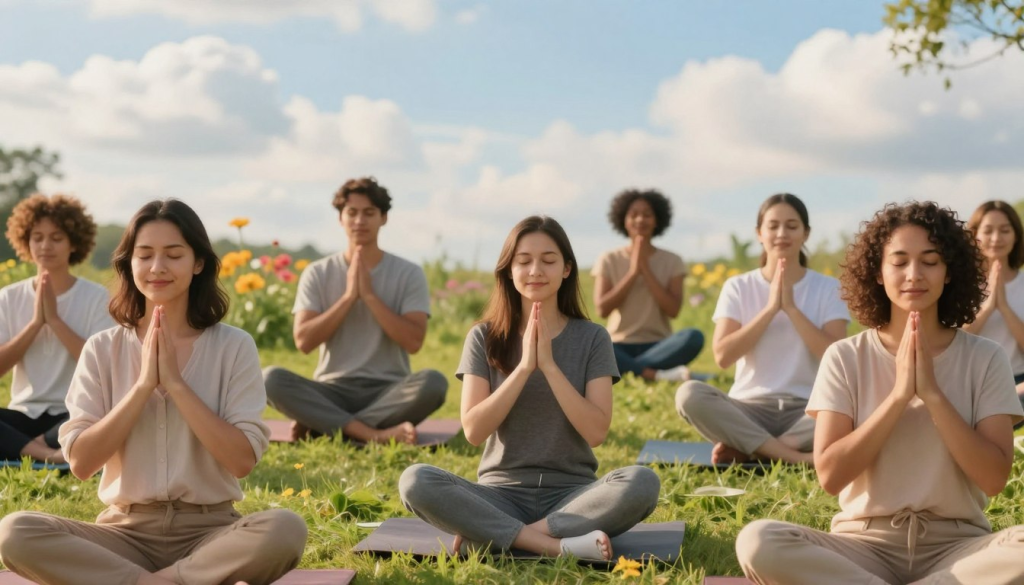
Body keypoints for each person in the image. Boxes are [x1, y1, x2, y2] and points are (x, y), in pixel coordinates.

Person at [0, 199, 307, 585]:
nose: (157, 267)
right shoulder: (102, 348)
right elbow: (79, 463)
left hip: (210, 532)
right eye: (144, 255)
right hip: (124, 533)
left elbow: (241, 461)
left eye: (173, 255)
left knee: (285, 528)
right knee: (16, 532)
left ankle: (142, 581)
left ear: (197, 263)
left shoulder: (233, 346)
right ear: (129, 264)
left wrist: (177, 384)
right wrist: (144, 386)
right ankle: (173, 581)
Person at [736, 201, 1024, 585]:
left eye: (930, 260)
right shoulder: (845, 357)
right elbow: (831, 476)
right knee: (758, 540)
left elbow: (993, 479)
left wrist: (933, 395)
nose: (914, 274)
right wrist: (899, 397)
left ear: (949, 271)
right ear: (877, 272)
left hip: (959, 548)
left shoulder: (986, 358)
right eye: (899, 261)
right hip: (863, 546)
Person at [399, 216, 660, 561]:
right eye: (524, 261)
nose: (536, 270)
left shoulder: (592, 337)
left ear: (566, 269)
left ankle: (499, 536)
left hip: (572, 496)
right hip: (498, 495)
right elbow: (474, 431)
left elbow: (596, 432)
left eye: (548, 260)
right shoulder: (483, 338)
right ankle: (554, 546)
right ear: (509, 270)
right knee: (416, 480)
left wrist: (549, 366)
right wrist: (523, 368)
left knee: (642, 482)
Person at [264, 177, 447, 444]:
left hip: (388, 392)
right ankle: (371, 434)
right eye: (352, 213)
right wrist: (349, 297)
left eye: (369, 213)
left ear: (383, 218)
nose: (360, 220)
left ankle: (325, 426)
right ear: (341, 218)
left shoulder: (409, 274)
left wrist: (370, 296)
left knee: (434, 383)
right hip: (331, 390)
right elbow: (304, 341)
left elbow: (413, 342)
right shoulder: (318, 273)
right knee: (269, 379)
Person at [676, 193, 848, 465]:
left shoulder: (828, 288)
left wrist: (791, 309)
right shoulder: (738, 286)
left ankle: (755, 449)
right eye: (773, 226)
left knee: (858, 402)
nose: (782, 233)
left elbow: (836, 359)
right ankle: (794, 457)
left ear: (806, 234)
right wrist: (769, 310)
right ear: (759, 233)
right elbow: (723, 356)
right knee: (689, 394)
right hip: (748, 410)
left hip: (808, 411)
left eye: (792, 226)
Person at [0, 193, 112, 463]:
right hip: (23, 415)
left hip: (74, 414)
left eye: (57, 237)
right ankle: (48, 454)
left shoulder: (97, 298)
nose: (45, 246)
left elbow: (104, 371)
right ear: (26, 241)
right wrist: (36, 324)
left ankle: (30, 448)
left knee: (107, 415)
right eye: (37, 237)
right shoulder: (8, 297)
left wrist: (56, 322)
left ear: (73, 243)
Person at [592, 188, 704, 381]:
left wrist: (645, 268)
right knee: (593, 342)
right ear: (623, 220)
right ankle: (655, 374)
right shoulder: (609, 259)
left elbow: (673, 310)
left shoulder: (673, 261)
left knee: (693, 337)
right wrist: (633, 272)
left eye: (647, 215)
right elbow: (602, 309)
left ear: (657, 219)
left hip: (661, 345)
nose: (640, 220)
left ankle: (630, 370)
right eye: (633, 215)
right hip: (618, 344)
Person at [964, 200, 1024, 406]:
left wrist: (1005, 308)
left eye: (1005, 230)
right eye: (988, 231)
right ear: (975, 236)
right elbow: (954, 341)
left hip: (1019, 381)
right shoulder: (962, 286)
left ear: (1015, 235)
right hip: (973, 382)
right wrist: (988, 308)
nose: (996, 238)